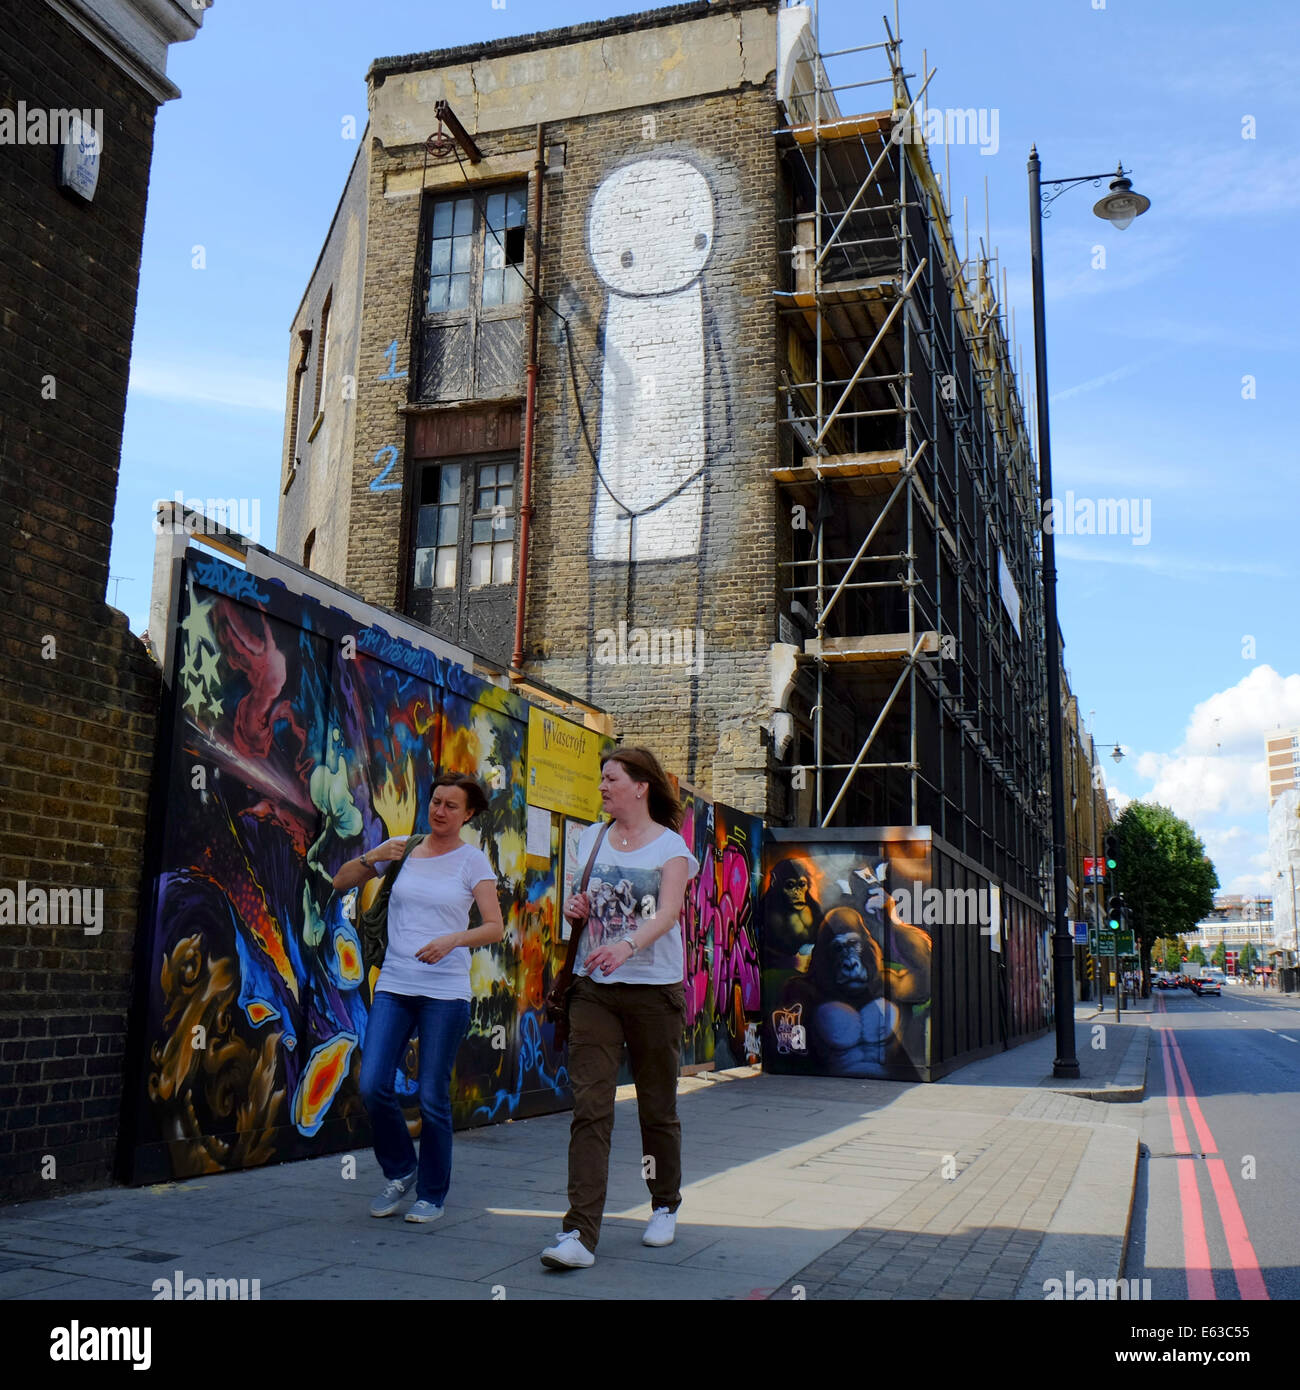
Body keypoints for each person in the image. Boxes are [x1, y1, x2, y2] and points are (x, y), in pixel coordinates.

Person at [540, 747, 699, 1270]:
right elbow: (576, 904)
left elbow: (671, 911)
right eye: (601, 778)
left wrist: (628, 945)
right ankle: (579, 1235)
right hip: (594, 990)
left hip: (654, 990)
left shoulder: (671, 847)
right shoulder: (591, 837)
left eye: (612, 778)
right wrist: (575, 907)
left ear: (641, 786)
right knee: (591, 1107)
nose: (603, 786)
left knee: (657, 1108)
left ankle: (664, 1202)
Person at [332, 773, 502, 1224]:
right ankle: (401, 1169)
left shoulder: (473, 863)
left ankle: (432, 1193)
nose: (439, 810)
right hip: (395, 983)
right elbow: (339, 882)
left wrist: (453, 940)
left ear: (467, 814)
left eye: (450, 805)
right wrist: (373, 855)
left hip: (445, 993)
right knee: (372, 1084)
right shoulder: (404, 849)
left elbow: (494, 927)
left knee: (431, 1095)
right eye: (435, 801)